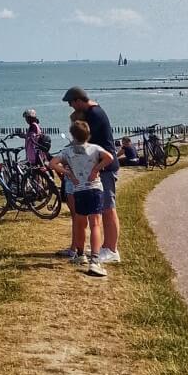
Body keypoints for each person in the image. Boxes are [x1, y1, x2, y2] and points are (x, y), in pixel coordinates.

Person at [51, 120, 115, 277]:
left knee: (80, 224)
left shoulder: (68, 151)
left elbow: (52, 163)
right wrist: (96, 169)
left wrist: (68, 174)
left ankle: (80, 255)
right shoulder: (95, 148)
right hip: (94, 189)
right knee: (95, 225)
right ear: (89, 134)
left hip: (79, 190)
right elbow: (109, 157)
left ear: (73, 135)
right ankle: (95, 260)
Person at [62, 88, 119, 263]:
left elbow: (88, 143)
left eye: (71, 103)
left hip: (106, 167)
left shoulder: (94, 114)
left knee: (108, 209)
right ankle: (105, 247)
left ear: (79, 100)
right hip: (101, 166)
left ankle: (111, 249)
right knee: (104, 209)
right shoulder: (94, 112)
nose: (71, 107)